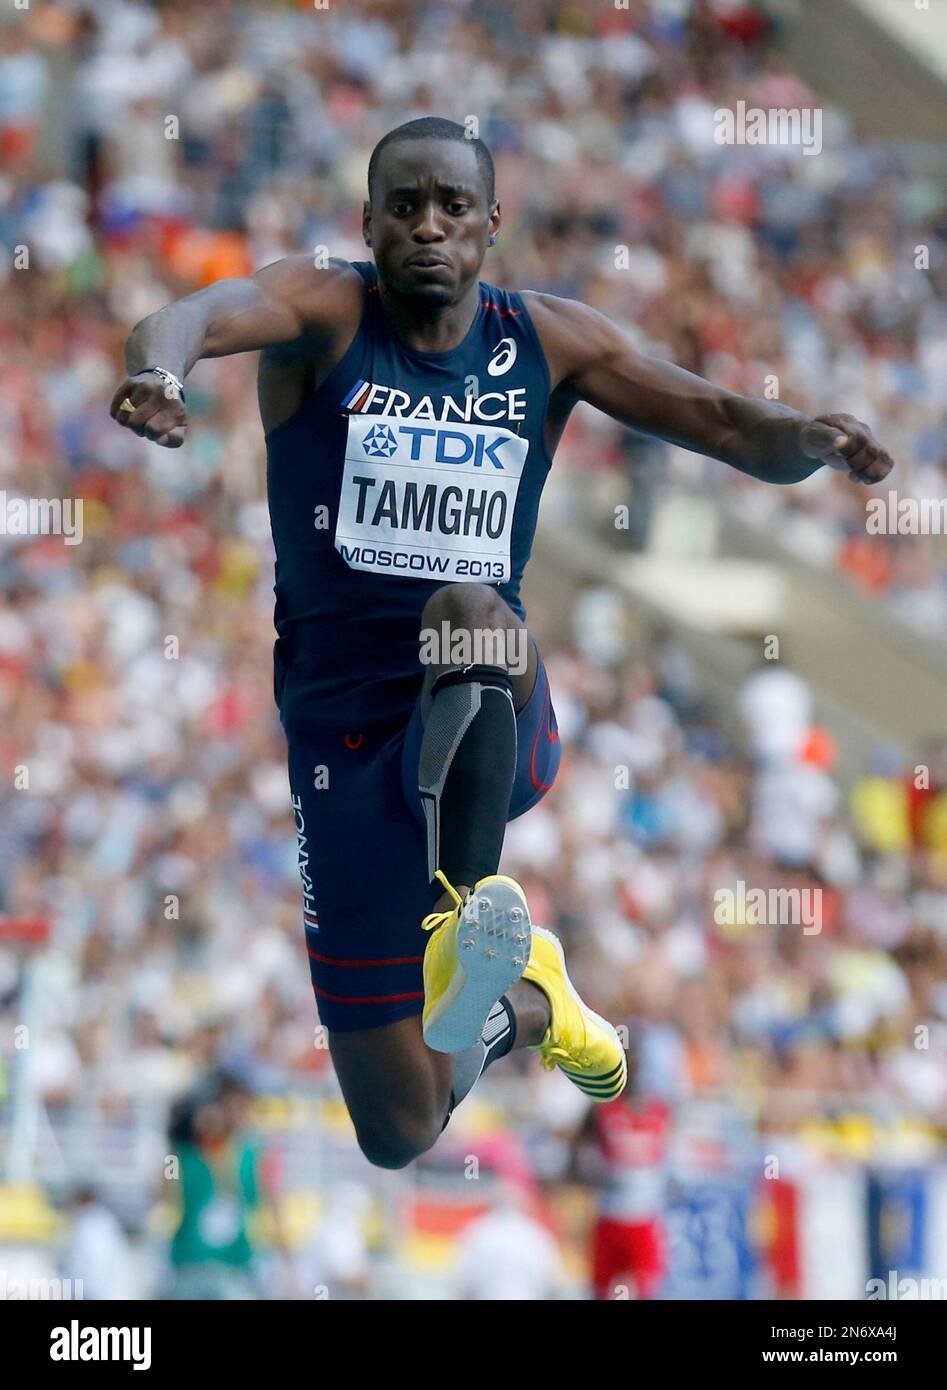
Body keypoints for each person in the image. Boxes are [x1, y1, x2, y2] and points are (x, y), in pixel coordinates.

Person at [110, 116, 894, 1171]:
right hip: (343, 748)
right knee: (397, 1125)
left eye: (451, 207)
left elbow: (714, 419)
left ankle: (461, 916)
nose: (427, 227)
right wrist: (159, 372)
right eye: (403, 207)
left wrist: (806, 437)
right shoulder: (324, 311)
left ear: (490, 224)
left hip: (490, 711)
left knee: (466, 606)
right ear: (368, 222)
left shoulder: (546, 341)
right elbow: (192, 314)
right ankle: (530, 1000)